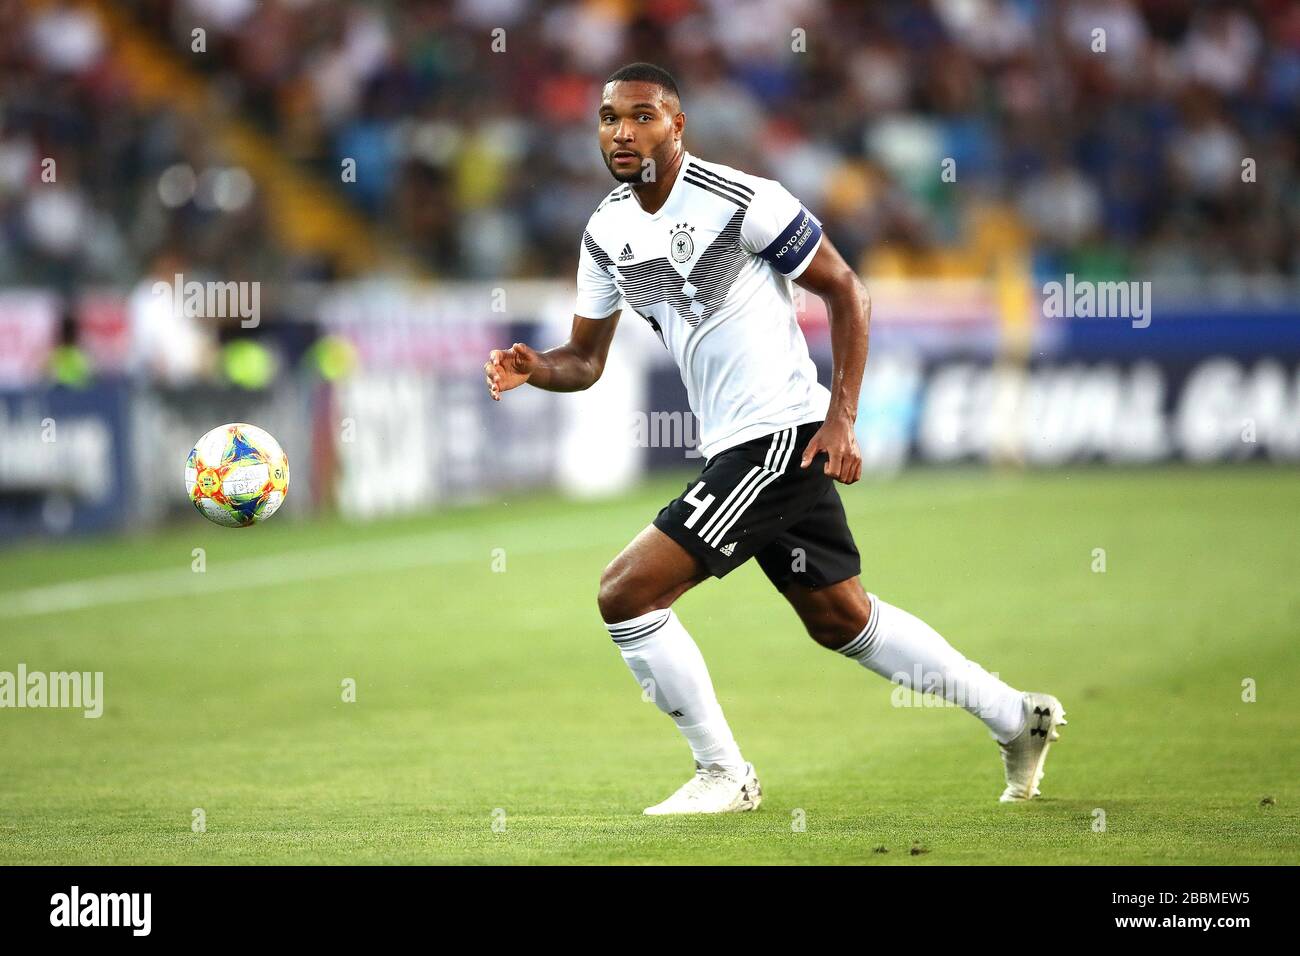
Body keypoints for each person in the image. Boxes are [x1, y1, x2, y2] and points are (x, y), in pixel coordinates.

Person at [484, 63, 1066, 815]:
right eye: (607, 118)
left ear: (677, 126)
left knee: (625, 593)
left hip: (780, 435)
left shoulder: (743, 199)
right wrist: (537, 368)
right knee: (841, 618)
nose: (621, 132)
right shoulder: (606, 230)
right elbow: (586, 361)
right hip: (735, 443)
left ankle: (724, 773)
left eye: (641, 116)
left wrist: (841, 419)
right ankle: (1016, 716)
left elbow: (847, 291)